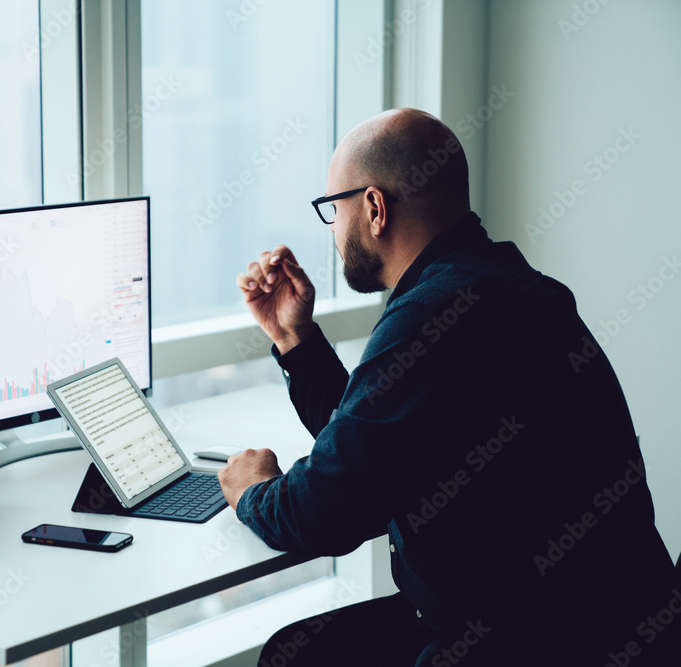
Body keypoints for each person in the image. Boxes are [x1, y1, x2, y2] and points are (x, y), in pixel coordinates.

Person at [218, 108, 678, 666]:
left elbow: (322, 512)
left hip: (532, 640)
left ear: (373, 207)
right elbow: (377, 450)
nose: (333, 230)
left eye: (331, 209)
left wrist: (251, 489)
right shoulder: (497, 284)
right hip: (583, 617)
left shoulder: (436, 315)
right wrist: (296, 339)